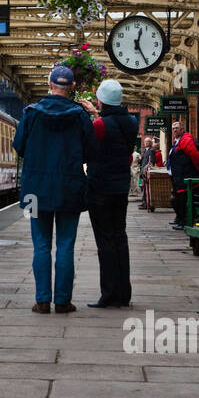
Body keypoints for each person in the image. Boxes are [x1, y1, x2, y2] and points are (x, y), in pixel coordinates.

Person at [13, 65, 100, 314]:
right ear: (72, 87)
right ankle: (62, 301)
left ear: (49, 84)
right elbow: (91, 151)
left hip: (34, 190)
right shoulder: (80, 115)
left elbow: (19, 146)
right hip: (69, 187)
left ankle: (42, 300)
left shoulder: (30, 113)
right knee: (65, 244)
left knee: (40, 245)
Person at [77, 79, 139, 308]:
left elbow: (88, 151)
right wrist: (97, 114)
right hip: (121, 187)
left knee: (105, 241)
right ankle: (124, 293)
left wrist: (92, 117)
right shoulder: (131, 122)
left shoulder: (100, 125)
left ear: (101, 100)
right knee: (120, 237)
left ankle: (109, 293)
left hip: (100, 187)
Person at [167, 119, 199, 230]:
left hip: (185, 177)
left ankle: (185, 222)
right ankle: (180, 219)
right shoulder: (177, 141)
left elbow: (195, 156)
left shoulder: (186, 140)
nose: (174, 130)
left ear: (182, 129)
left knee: (182, 200)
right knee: (177, 199)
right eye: (173, 128)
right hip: (178, 177)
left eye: (177, 128)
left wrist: (197, 169)